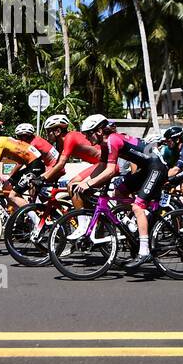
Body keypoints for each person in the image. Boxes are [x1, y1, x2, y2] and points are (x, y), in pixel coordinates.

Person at [70, 114, 168, 268]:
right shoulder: (104, 144)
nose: (87, 138)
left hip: (157, 168)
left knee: (138, 206)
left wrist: (89, 184)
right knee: (118, 193)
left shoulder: (112, 140)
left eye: (89, 134)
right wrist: (83, 182)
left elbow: (110, 170)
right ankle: (132, 224)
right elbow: (102, 166)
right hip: (147, 168)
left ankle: (144, 251)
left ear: (100, 131)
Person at [38, 114, 102, 208]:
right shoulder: (60, 143)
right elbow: (58, 167)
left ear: (57, 131)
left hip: (103, 164)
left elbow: (61, 164)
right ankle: (90, 215)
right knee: (79, 191)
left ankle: (82, 220)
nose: (47, 135)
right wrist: (42, 177)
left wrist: (42, 178)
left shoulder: (70, 137)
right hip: (98, 164)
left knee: (72, 186)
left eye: (48, 131)